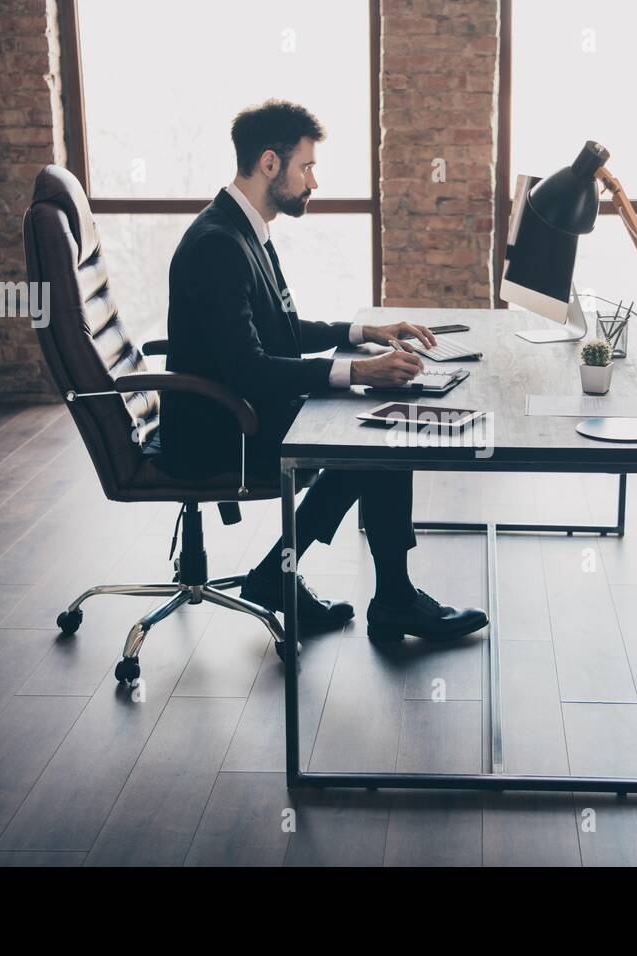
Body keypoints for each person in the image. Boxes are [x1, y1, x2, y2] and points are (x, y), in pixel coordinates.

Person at [159, 99, 487, 645]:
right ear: (270, 164)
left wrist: (362, 334)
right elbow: (250, 368)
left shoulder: (243, 229)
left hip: (237, 411)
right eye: (306, 166)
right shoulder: (219, 245)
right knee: (374, 438)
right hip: (220, 430)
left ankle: (378, 595)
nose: (314, 180)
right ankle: (369, 595)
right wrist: (359, 374)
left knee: (381, 430)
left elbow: (280, 331)